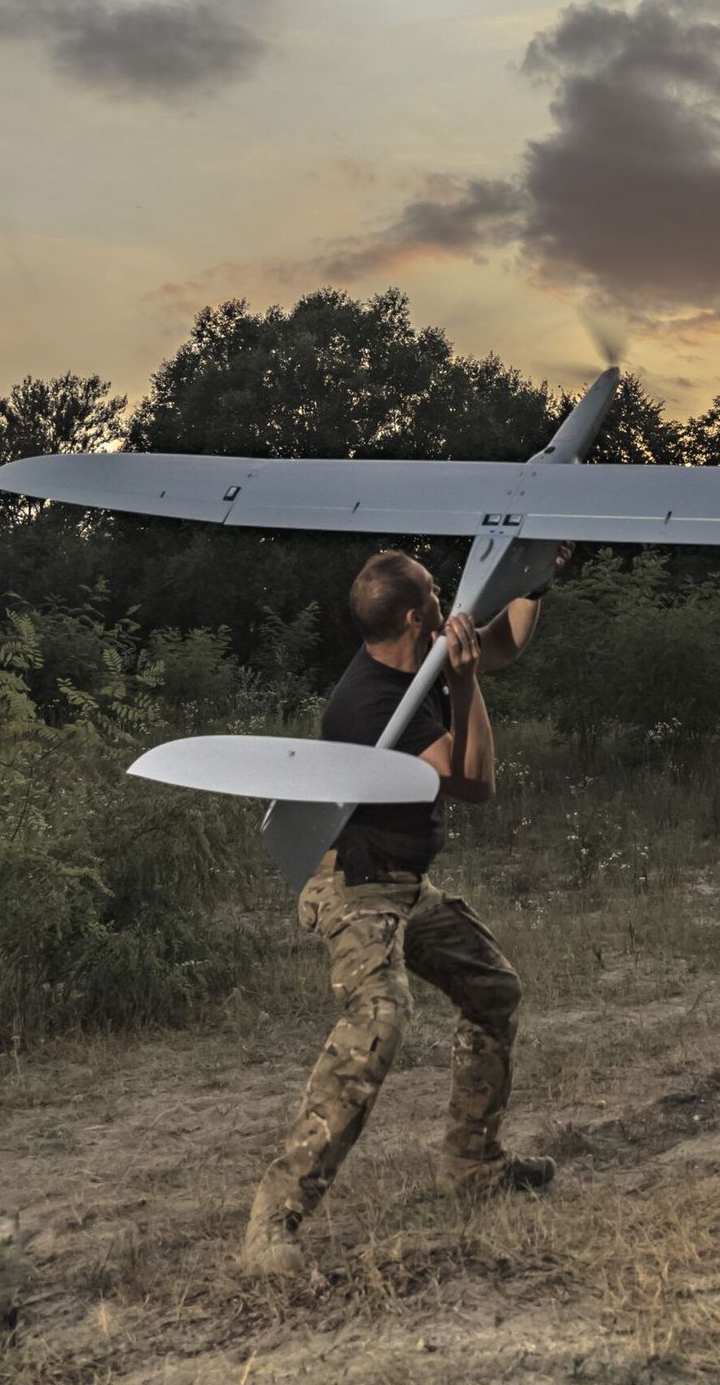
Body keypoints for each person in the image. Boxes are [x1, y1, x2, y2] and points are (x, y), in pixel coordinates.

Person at [241, 546, 565, 1278]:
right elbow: (474, 783)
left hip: (404, 885)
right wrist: (467, 681)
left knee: (493, 990)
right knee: (377, 1023)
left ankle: (472, 1163)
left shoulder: (415, 661)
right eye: (435, 593)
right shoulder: (369, 702)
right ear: (417, 617)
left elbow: (506, 640)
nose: (450, 600)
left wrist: (535, 577)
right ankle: (273, 1224)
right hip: (354, 886)